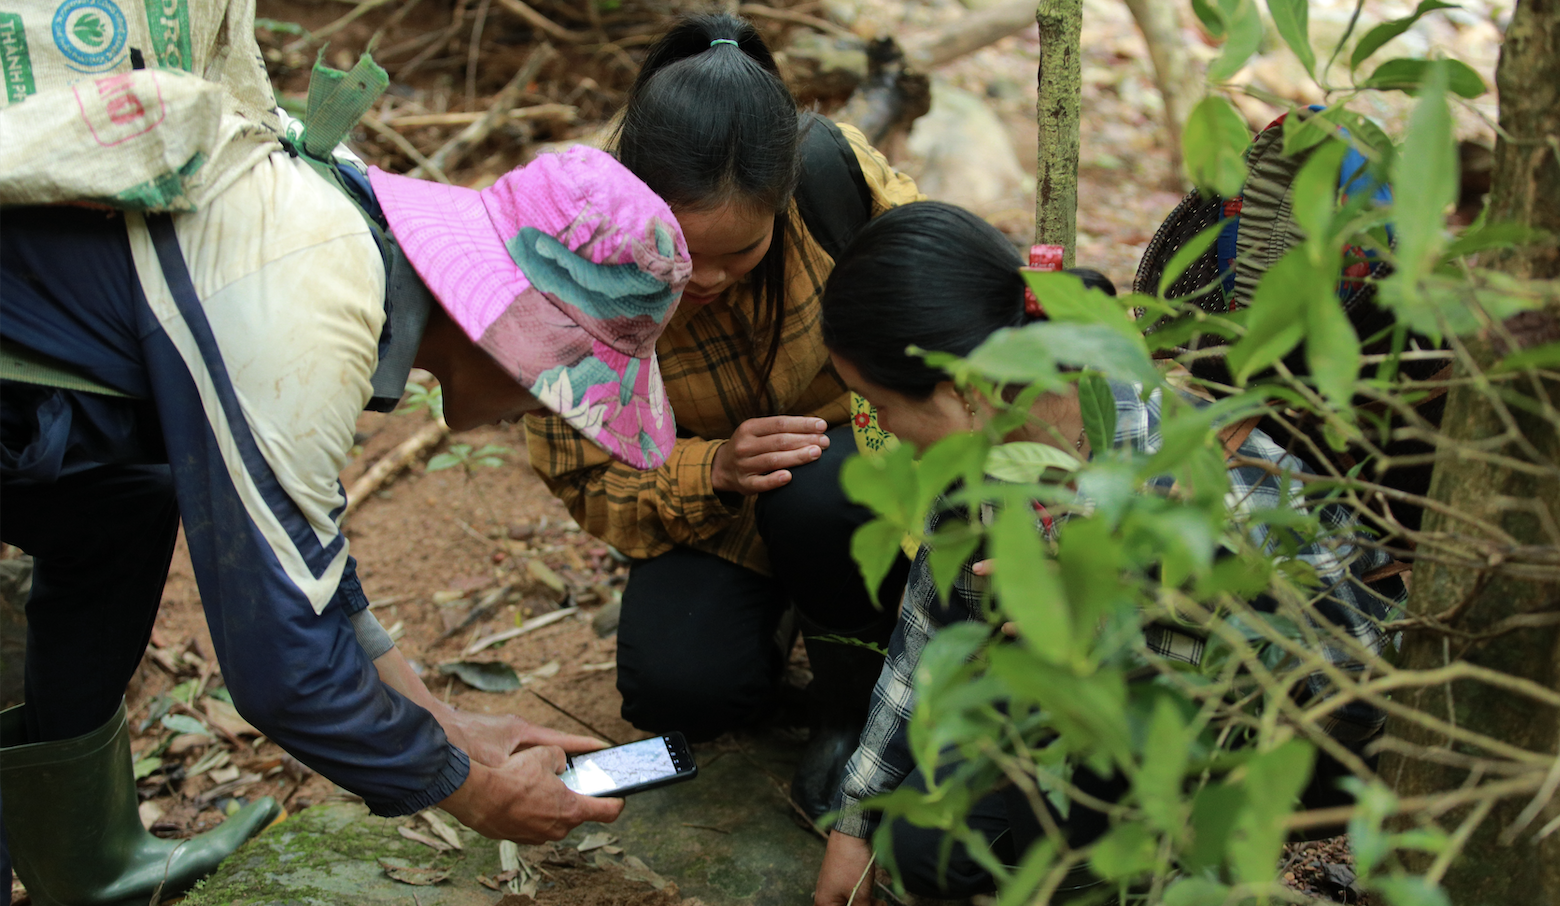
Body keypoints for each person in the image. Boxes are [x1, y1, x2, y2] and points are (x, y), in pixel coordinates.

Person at [0, 134, 690, 902]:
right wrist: (469, 790)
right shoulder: (307, 301)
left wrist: (439, 719)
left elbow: (301, 545)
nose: (549, 407)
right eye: (563, 382)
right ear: (518, 343)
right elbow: (283, 672)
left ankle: (83, 865)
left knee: (121, 503)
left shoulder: (351, 243)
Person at [810, 202, 1402, 903]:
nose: (872, 424)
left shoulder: (1211, 477)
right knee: (920, 851)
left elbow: (1363, 676)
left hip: (1227, 752)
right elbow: (923, 642)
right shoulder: (975, 468)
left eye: (874, 401)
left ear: (962, 394)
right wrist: (856, 821)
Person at [524, 13, 923, 820]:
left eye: (740, 253)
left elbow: (941, 326)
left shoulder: (833, 179)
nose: (704, 278)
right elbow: (590, 482)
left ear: (780, 204)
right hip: (715, 509)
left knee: (817, 492)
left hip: (861, 471)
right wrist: (715, 469)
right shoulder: (573, 258)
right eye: (678, 247)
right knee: (681, 691)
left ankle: (852, 703)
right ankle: (785, 615)